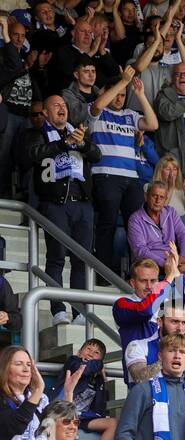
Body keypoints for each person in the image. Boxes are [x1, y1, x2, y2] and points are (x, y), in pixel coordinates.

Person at [28, 93, 101, 325]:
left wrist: (80, 143)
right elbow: (34, 155)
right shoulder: (37, 134)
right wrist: (63, 144)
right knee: (57, 257)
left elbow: (96, 155)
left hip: (82, 204)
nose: (62, 108)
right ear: (46, 113)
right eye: (55, 106)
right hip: (55, 204)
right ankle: (58, 310)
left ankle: (79, 312)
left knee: (81, 259)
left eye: (64, 105)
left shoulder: (78, 133)